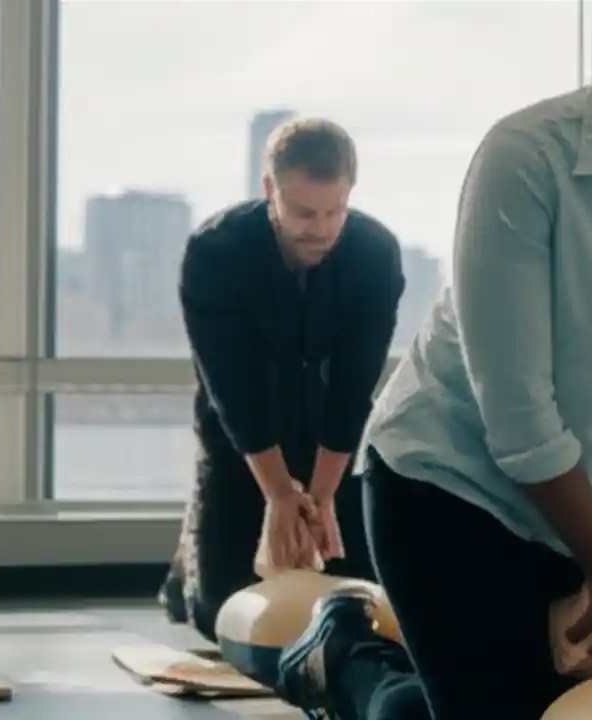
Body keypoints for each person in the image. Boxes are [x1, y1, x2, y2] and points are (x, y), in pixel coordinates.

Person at [269, 1, 592, 718]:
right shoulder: (525, 157)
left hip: (575, 509)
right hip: (448, 490)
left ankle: (366, 661)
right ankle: (347, 658)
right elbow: (516, 409)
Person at [158, 117, 406, 642]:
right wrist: (276, 493)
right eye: (302, 212)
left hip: (329, 444)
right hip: (239, 439)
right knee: (218, 609)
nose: (319, 228)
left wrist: (319, 501)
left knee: (360, 599)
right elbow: (231, 382)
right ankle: (189, 571)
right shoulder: (215, 252)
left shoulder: (374, 254)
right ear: (270, 190)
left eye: (333, 211)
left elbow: (355, 383)